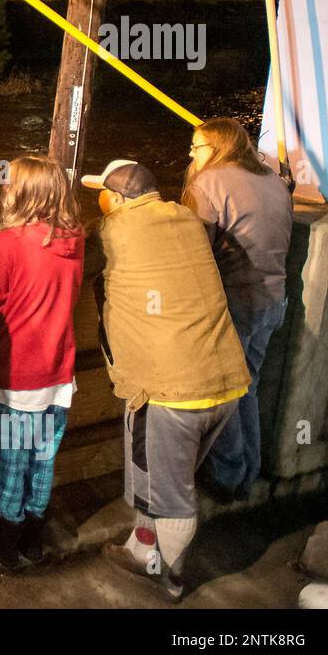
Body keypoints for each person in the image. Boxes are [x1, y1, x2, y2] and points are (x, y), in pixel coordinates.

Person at [82, 159, 251, 603]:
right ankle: (142, 549)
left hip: (169, 393)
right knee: (162, 480)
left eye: (102, 193)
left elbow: (71, 264)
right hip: (226, 381)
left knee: (171, 495)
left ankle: (169, 578)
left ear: (115, 199)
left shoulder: (108, 233)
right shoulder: (188, 219)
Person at [0, 154, 83, 569]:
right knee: (43, 457)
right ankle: (33, 538)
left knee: (8, 459)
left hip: (17, 371)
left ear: (23, 192)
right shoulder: (76, 239)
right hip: (58, 371)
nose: (4, 187)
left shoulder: (9, 242)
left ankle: (5, 541)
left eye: (10, 183)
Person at [181, 117, 293, 500]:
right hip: (274, 299)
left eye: (196, 147)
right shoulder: (272, 180)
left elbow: (194, 250)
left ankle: (228, 476)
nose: (191, 154)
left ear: (215, 147)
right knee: (249, 387)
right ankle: (249, 472)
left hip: (234, 301)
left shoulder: (208, 183)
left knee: (222, 390)